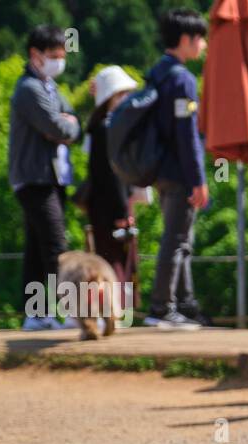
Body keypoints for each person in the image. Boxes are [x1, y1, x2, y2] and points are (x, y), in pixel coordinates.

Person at [9, 24, 79, 331]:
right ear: (34, 55)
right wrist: (66, 124)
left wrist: (68, 123)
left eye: (62, 56)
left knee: (37, 250)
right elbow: (59, 126)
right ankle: (77, 312)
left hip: (52, 178)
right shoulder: (29, 89)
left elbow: (71, 120)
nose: (58, 61)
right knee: (55, 247)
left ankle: (36, 314)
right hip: (35, 179)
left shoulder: (49, 87)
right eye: (53, 55)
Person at [143, 9, 208, 331]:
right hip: (180, 171)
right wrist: (198, 179)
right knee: (177, 239)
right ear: (185, 40)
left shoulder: (157, 72)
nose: (203, 44)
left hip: (159, 169)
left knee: (177, 238)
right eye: (199, 38)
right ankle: (162, 308)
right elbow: (187, 133)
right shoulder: (183, 79)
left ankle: (182, 303)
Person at [84, 67, 141, 320]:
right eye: (122, 94)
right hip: (112, 207)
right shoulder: (108, 128)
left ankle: (113, 313)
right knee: (114, 261)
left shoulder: (100, 126)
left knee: (110, 259)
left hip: (104, 205)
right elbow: (113, 175)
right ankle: (114, 313)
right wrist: (121, 212)